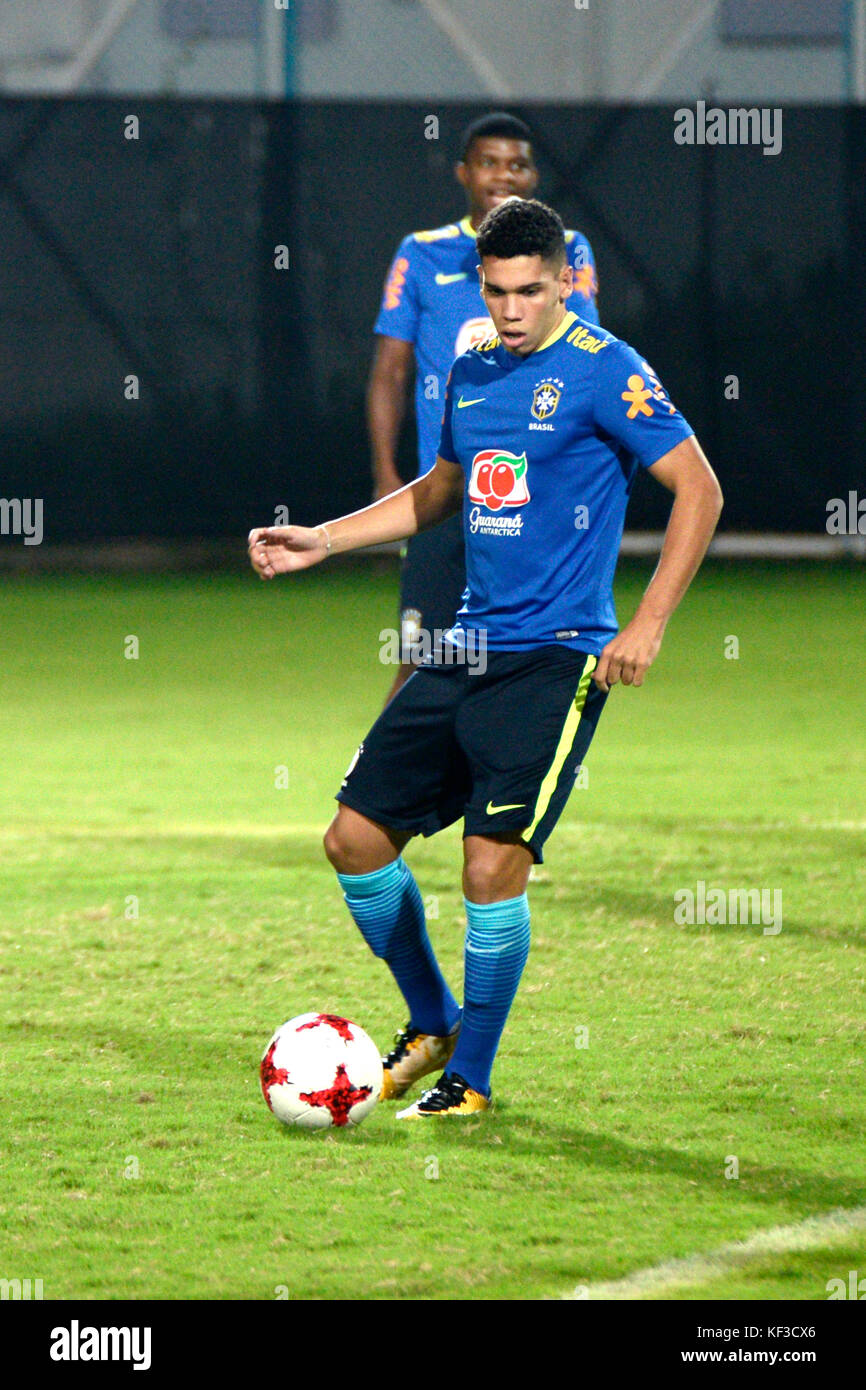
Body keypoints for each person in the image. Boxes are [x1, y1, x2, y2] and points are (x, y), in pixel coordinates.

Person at [249, 198, 723, 1119]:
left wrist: (648, 623)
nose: (513, 309)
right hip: (466, 643)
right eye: (498, 291)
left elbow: (697, 489)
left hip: (557, 656)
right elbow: (441, 492)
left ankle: (471, 1079)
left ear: (562, 282)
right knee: (352, 841)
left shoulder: (605, 370)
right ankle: (434, 1024)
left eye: (530, 291)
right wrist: (324, 540)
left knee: (488, 866)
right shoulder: (469, 369)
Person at [369, 112, 599, 704]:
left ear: (533, 175)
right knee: (421, 660)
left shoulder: (567, 251)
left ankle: (494, 788)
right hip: (441, 497)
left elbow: (585, 364)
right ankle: (383, 792)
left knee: (522, 664)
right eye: (490, 163)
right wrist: (385, 475)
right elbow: (390, 372)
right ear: (464, 173)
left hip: (529, 500)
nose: (504, 175)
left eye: (517, 163)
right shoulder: (421, 254)